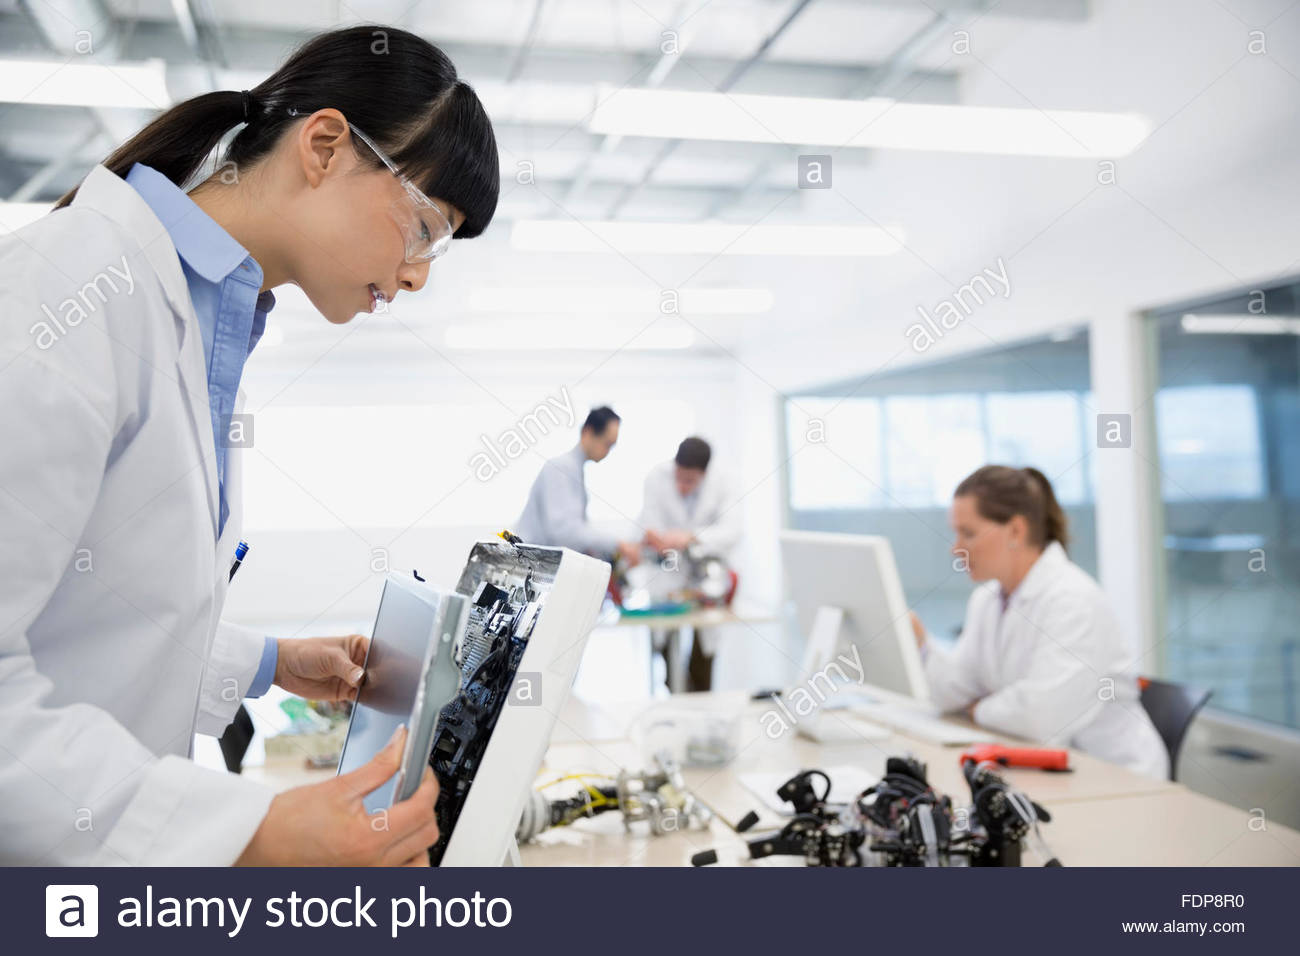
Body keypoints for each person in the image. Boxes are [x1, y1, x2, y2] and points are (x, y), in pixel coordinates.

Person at [0, 26, 499, 865]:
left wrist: (272, 663)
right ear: (327, 145)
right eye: (424, 229)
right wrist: (253, 834)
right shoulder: (75, 287)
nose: (418, 275)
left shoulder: (205, 319)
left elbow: (93, 624)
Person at [911, 465, 1169, 779]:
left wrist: (979, 708)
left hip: (1117, 776)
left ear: (1015, 531)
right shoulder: (988, 599)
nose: (956, 547)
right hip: (1042, 768)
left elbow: (1040, 718)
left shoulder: (1073, 600)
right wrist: (922, 647)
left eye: (969, 533)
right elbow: (958, 688)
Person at [640, 437, 741, 690]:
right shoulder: (656, 477)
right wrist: (654, 535)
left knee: (704, 653)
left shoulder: (724, 482)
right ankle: (676, 695)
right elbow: (649, 520)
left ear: (704, 475)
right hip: (668, 574)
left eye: (690, 481)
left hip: (706, 576)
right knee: (667, 654)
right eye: (678, 477)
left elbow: (733, 531)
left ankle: (699, 707)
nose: (681, 486)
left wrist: (692, 536)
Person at [514, 407, 643, 567]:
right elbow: (564, 532)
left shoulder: (574, 469)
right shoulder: (561, 468)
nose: (607, 452)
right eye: (607, 444)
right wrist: (618, 544)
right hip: (530, 565)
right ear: (588, 432)